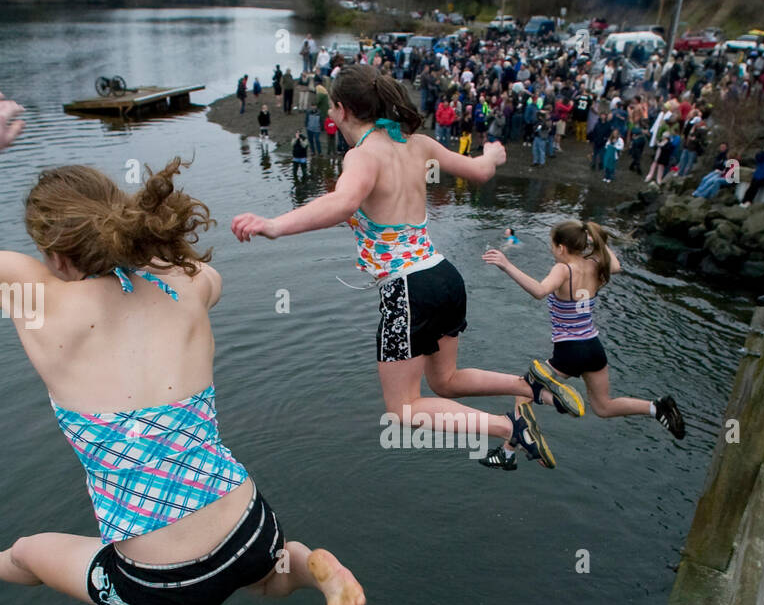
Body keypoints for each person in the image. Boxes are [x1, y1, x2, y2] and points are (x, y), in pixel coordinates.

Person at [0, 90, 364, 605]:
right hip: (251, 527)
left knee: (24, 555)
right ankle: (313, 569)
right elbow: (209, 280)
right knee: (264, 576)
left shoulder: (38, 299)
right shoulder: (184, 285)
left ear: (55, 255)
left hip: (161, 583)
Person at [230, 64, 575, 469]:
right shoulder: (419, 143)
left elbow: (341, 203)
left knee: (402, 409)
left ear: (340, 110)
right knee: (443, 381)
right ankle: (531, 386)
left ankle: (509, 428)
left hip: (408, 289)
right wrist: (492, 154)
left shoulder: (361, 157)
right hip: (444, 276)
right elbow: (481, 172)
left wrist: (274, 225)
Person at [478, 220, 685, 470]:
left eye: (553, 245)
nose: (552, 250)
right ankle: (655, 408)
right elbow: (617, 265)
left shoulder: (564, 269)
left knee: (522, 391)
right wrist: (598, 242)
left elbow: (540, 291)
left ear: (562, 247)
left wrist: (507, 265)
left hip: (569, 350)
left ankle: (509, 452)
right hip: (593, 348)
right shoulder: (595, 264)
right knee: (603, 406)